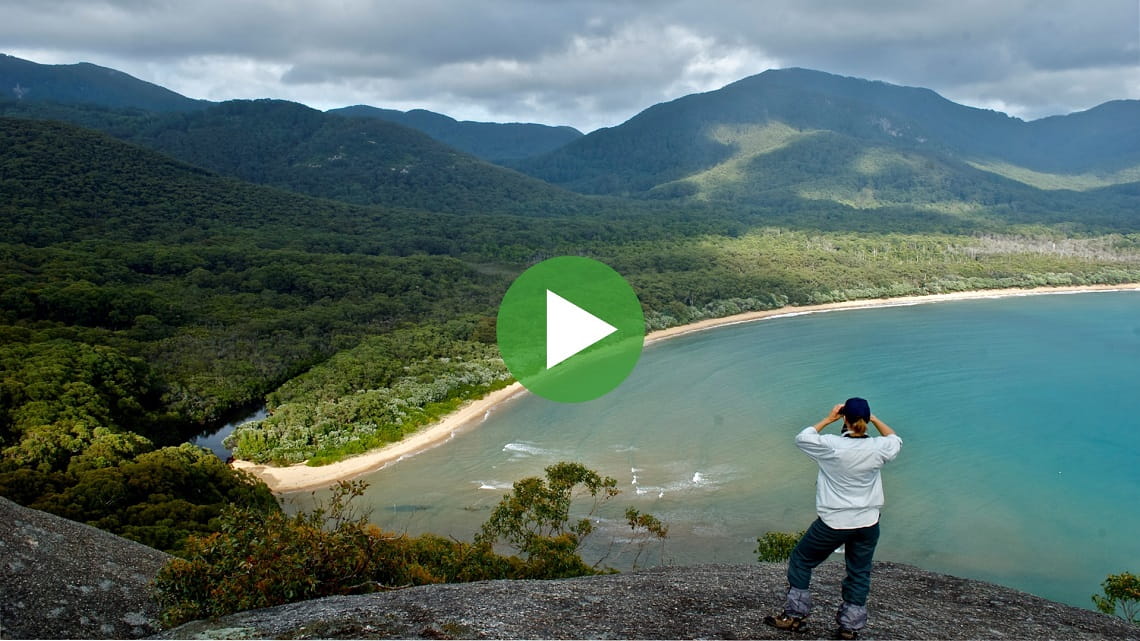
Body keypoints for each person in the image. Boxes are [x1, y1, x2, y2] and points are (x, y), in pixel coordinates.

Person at [764, 397, 902, 640]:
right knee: (859, 572)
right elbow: (895, 439)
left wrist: (829, 418)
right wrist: (875, 419)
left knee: (801, 559)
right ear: (866, 420)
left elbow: (803, 438)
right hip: (868, 521)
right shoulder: (879, 448)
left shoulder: (830, 446)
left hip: (835, 521)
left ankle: (795, 616)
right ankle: (849, 628)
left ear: (844, 418)